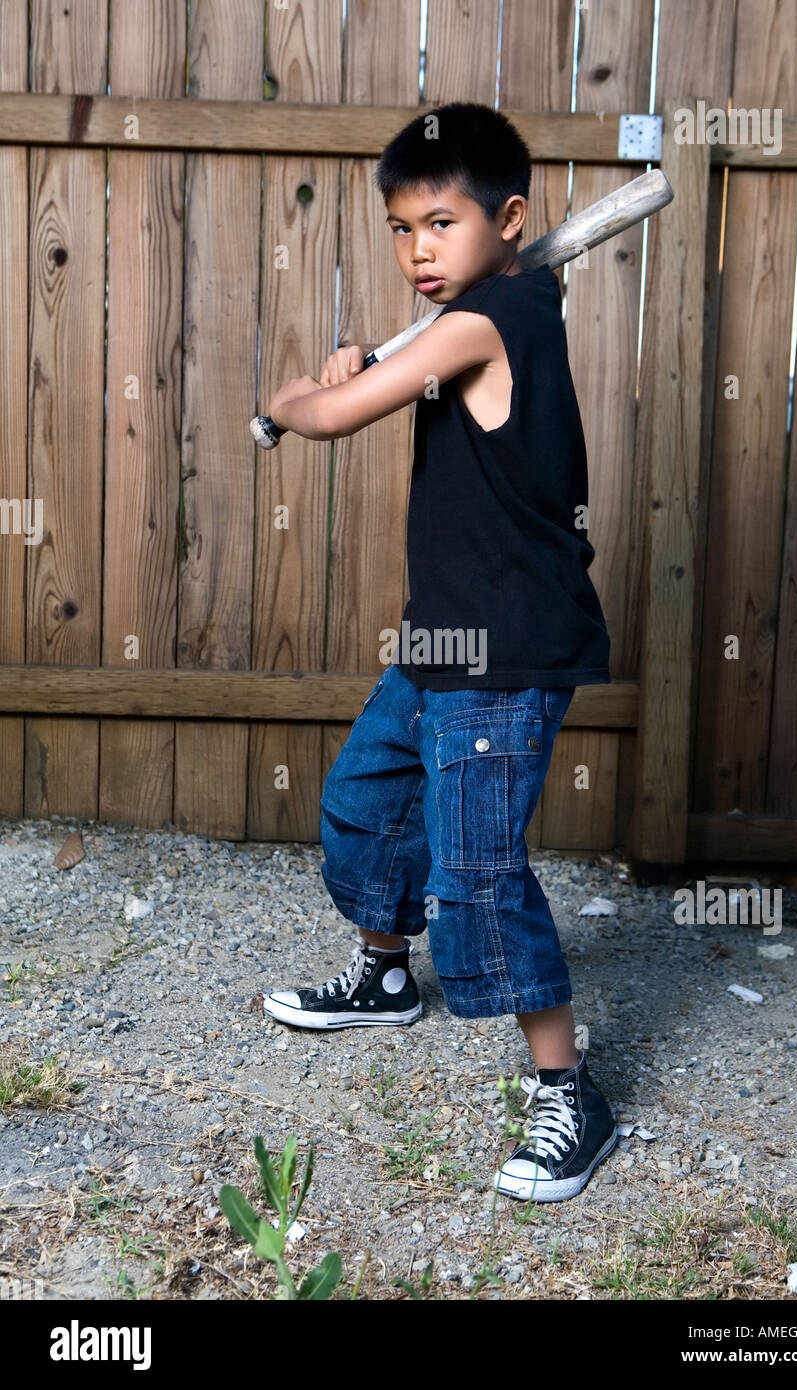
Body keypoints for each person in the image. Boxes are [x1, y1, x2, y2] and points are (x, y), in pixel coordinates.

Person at [262, 102, 618, 1202]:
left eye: (442, 223)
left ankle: (568, 1091)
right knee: (367, 806)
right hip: (442, 641)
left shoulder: (490, 316)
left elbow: (327, 420)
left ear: (510, 220)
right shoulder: (476, 312)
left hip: (503, 658)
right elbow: (396, 379)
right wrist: (369, 361)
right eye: (401, 229)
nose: (419, 249)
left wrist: (297, 391)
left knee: (476, 874)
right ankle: (383, 975)